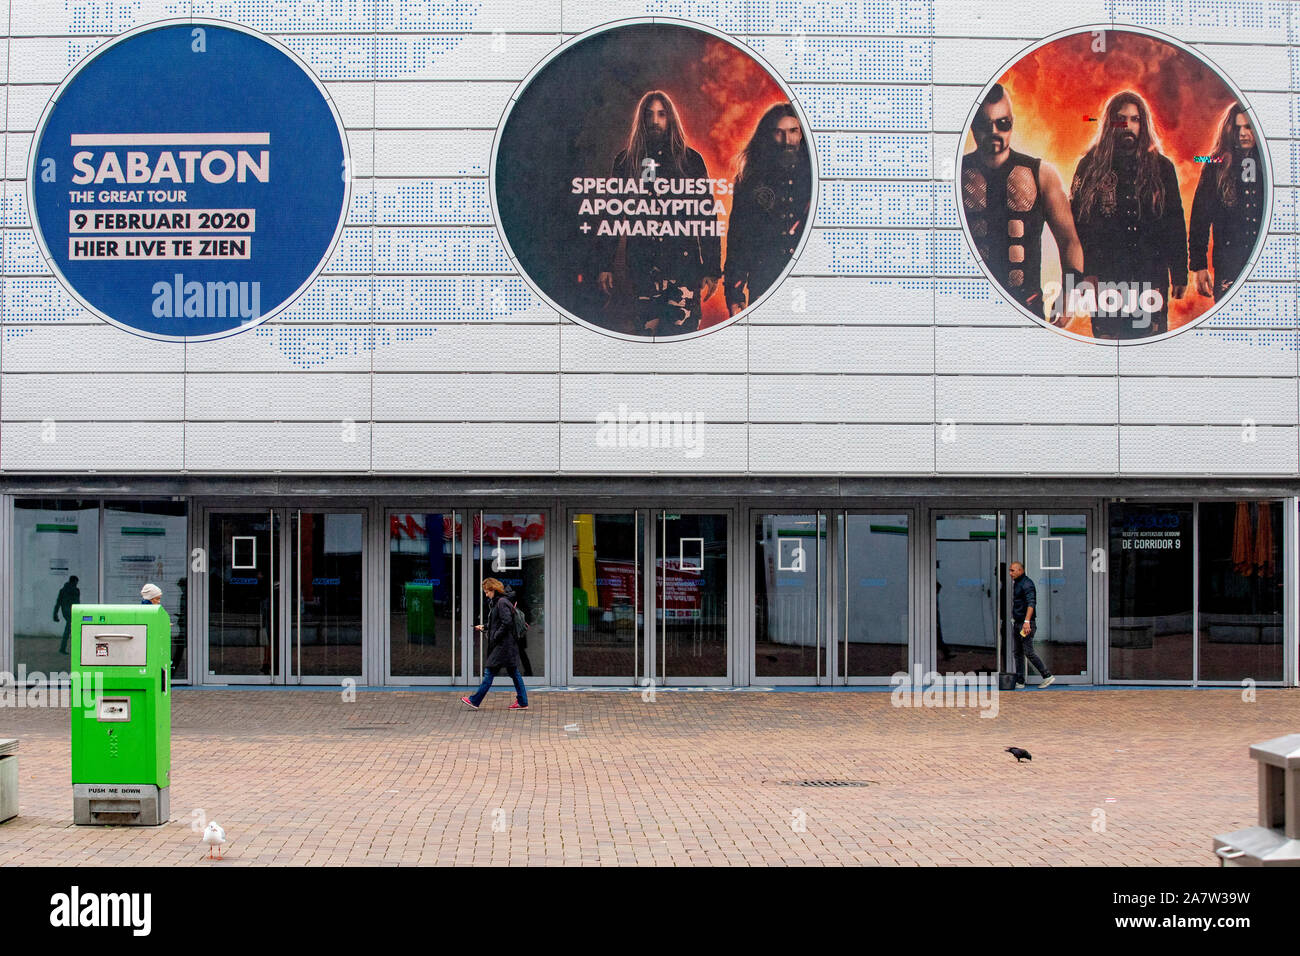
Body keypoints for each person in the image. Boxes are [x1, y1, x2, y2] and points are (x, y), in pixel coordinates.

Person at [597, 91, 722, 335]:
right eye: (649, 114)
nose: (655, 121)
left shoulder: (690, 161)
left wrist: (711, 269)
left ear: (670, 119)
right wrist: (605, 264)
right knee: (649, 340)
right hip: (644, 270)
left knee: (682, 340)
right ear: (641, 120)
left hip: (684, 269)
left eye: (661, 114)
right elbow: (612, 214)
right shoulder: (626, 162)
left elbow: (706, 215)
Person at [1070, 90, 1187, 339]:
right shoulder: (1089, 166)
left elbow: (1174, 223)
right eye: (1122, 119)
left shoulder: (1162, 168)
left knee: (1149, 349)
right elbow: (1076, 224)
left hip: (1150, 275)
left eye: (1135, 119)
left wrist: (1180, 273)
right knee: (1109, 348)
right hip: (1105, 277)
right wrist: (1083, 275)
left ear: (1143, 124)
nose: (1128, 126)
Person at [961, 84, 1084, 322]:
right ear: (973, 126)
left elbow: (1070, 241)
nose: (995, 131)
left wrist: (1069, 297)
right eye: (986, 125)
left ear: (1012, 122)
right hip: (969, 309)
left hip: (1027, 309)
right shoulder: (955, 175)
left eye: (1003, 123)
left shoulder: (1041, 174)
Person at [724, 103, 813, 316]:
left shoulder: (816, 177)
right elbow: (739, 239)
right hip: (765, 282)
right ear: (769, 136)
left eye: (794, 131)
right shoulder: (752, 180)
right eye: (779, 133)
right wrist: (734, 295)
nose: (787, 141)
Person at [1189, 102, 1263, 302]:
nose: (1243, 133)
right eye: (1237, 128)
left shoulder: (1270, 166)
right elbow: (1199, 219)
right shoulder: (1215, 165)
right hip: (1229, 266)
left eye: (1248, 127)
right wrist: (1199, 265)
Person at [462, 577, 529, 710]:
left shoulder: (501, 602)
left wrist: (495, 636)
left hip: (503, 645)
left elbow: (507, 622)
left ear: (493, 590)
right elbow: (498, 623)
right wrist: (485, 627)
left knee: (489, 671)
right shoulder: (501, 602)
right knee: (514, 672)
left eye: (487, 592)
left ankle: (475, 700)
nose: (486, 594)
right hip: (506, 645)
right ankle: (522, 701)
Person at [1008, 562, 1053, 688]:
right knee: (1018, 652)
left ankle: (1047, 675)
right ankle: (1020, 681)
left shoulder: (1027, 584)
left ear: (1020, 570)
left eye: (1012, 570)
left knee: (1028, 652)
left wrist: (1027, 622)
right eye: (1010, 571)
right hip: (1018, 623)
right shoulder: (1017, 582)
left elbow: (1031, 603)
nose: (1010, 573)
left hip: (1025, 624)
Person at [53, 575, 81, 655]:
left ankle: (63, 648)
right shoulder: (75, 590)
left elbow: (58, 602)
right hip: (72, 612)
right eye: (76, 582)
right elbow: (77, 602)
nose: (76, 584)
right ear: (74, 581)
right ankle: (64, 648)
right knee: (70, 630)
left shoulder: (63, 590)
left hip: (66, 611)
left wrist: (55, 614)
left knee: (69, 630)